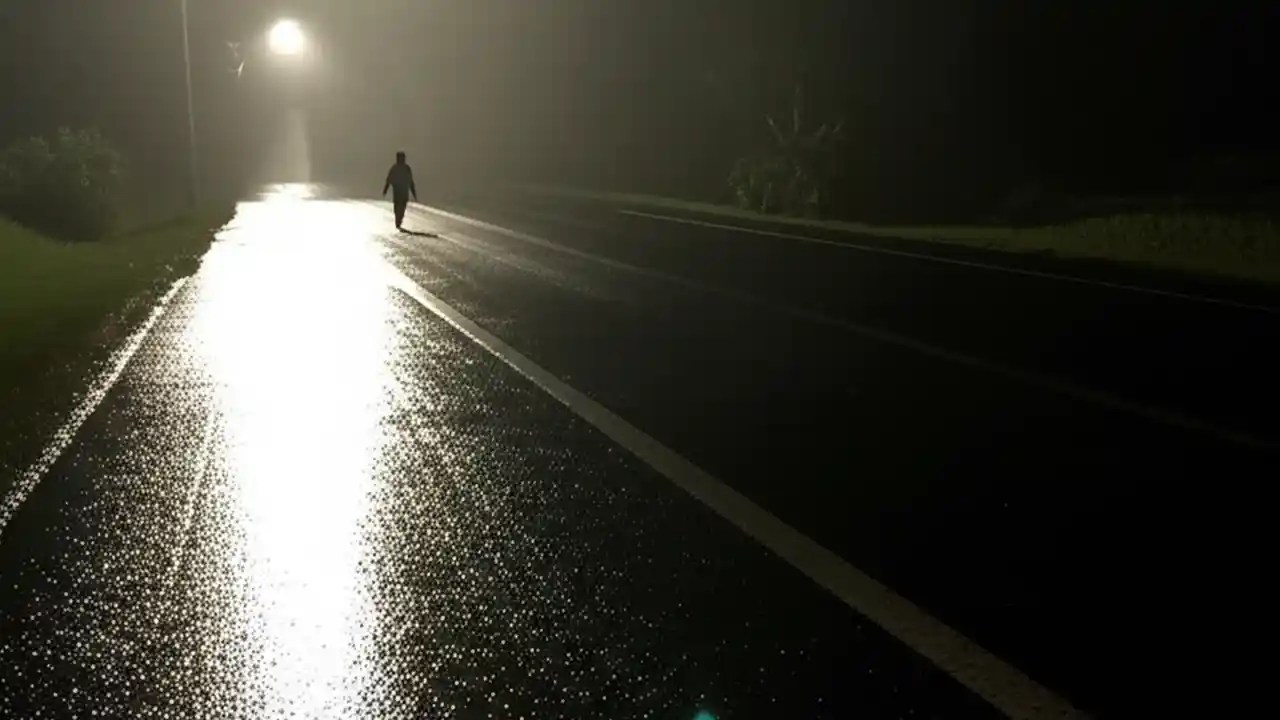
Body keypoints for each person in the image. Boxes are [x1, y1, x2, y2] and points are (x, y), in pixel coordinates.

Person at [382, 151, 418, 230]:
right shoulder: (395, 168)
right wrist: (385, 189)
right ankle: (398, 219)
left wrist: (413, 192)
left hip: (402, 190)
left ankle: (399, 219)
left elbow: (410, 181)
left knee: (402, 206)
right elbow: (389, 179)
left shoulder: (406, 168)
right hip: (398, 190)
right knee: (398, 206)